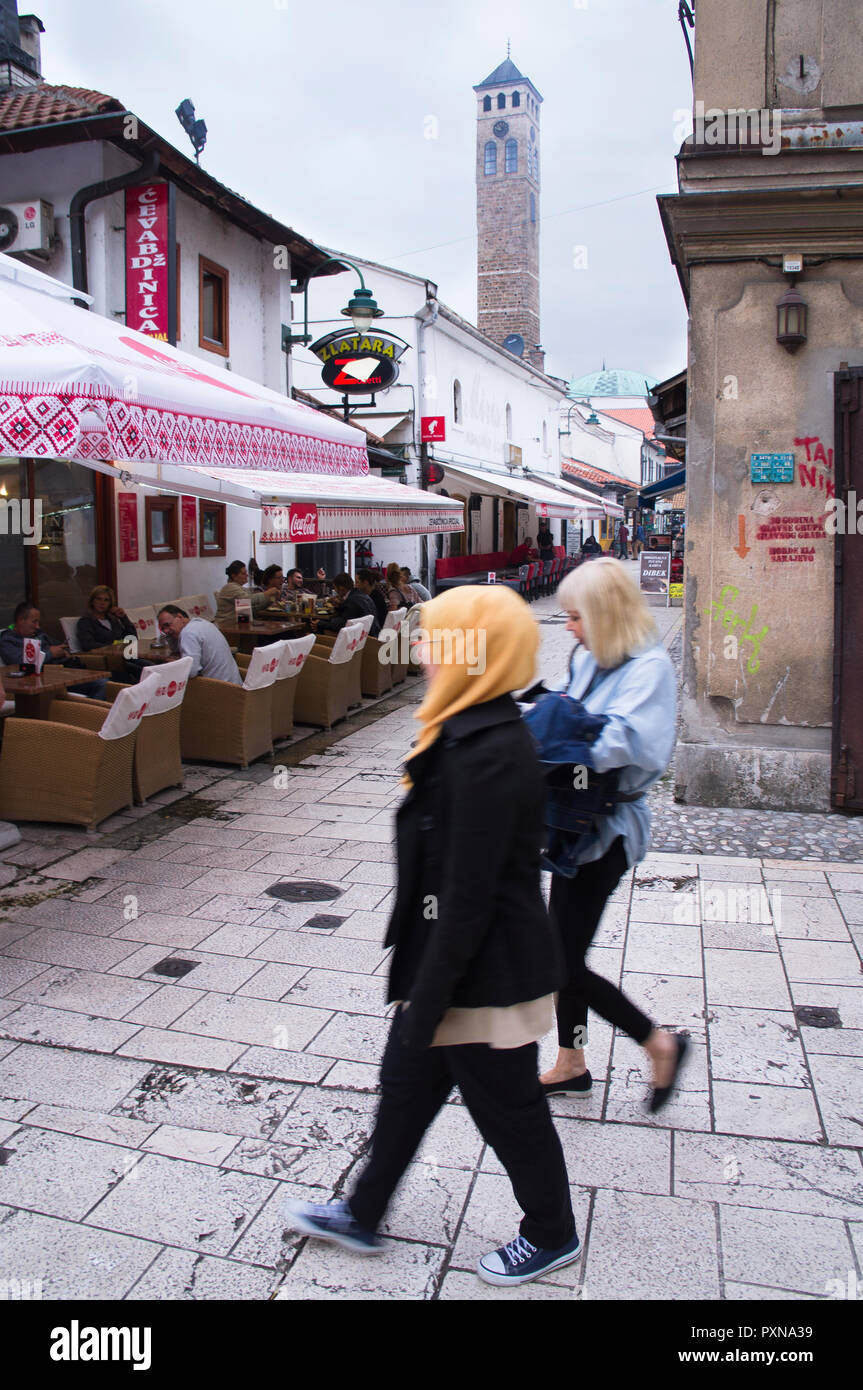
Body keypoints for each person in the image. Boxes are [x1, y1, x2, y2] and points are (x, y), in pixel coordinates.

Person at [284, 584, 582, 1287]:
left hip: (479, 975)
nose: (420, 648)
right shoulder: (464, 726)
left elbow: (468, 900)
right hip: (448, 966)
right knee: (406, 1087)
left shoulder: (485, 751)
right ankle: (361, 1210)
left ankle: (552, 1231)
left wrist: (427, 997)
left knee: (507, 1109)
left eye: (435, 637)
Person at [531, 558, 688, 1109]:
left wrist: (549, 734)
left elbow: (618, 745)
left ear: (602, 614)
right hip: (572, 821)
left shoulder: (648, 669)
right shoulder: (592, 656)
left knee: (560, 960)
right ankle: (571, 1061)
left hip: (607, 831)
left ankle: (658, 1043)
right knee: (561, 948)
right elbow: (572, 717)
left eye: (575, 617)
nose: (568, 627)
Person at [0, 603, 107, 700]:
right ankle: (90, 716)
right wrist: (50, 653)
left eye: (38, 622)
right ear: (20, 620)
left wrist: (61, 650)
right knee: (102, 684)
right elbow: (17, 661)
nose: (37, 626)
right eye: (34, 622)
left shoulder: (38, 633)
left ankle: (86, 713)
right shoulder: (9, 639)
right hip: (46, 681)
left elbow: (61, 645)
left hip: (66, 671)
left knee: (106, 681)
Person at [76, 585, 156, 685]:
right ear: (92, 601)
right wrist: (115, 646)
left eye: (106, 600)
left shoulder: (113, 620)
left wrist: (123, 618)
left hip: (124, 657)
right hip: (106, 662)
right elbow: (87, 645)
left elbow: (132, 639)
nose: (102, 603)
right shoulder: (86, 622)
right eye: (99, 599)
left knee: (151, 667)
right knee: (140, 672)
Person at [156, 606, 241, 685]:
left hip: (221, 690)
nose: (166, 630)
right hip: (235, 685)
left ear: (180, 617)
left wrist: (175, 665)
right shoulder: (202, 623)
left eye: (167, 625)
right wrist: (169, 634)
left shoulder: (188, 633)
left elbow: (191, 672)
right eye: (163, 629)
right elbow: (176, 649)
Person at [215, 562, 281, 624]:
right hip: (227, 626)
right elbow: (249, 600)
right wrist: (267, 593)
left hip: (240, 624)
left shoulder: (241, 589)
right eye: (243, 573)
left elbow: (252, 609)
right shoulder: (230, 588)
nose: (247, 575)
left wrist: (270, 600)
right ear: (234, 576)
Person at [316, 573, 380, 637]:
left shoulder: (351, 602)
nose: (335, 590)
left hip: (363, 639)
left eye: (335, 587)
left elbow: (341, 625)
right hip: (373, 634)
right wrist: (340, 605)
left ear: (341, 588)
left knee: (319, 630)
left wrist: (320, 623)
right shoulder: (361, 595)